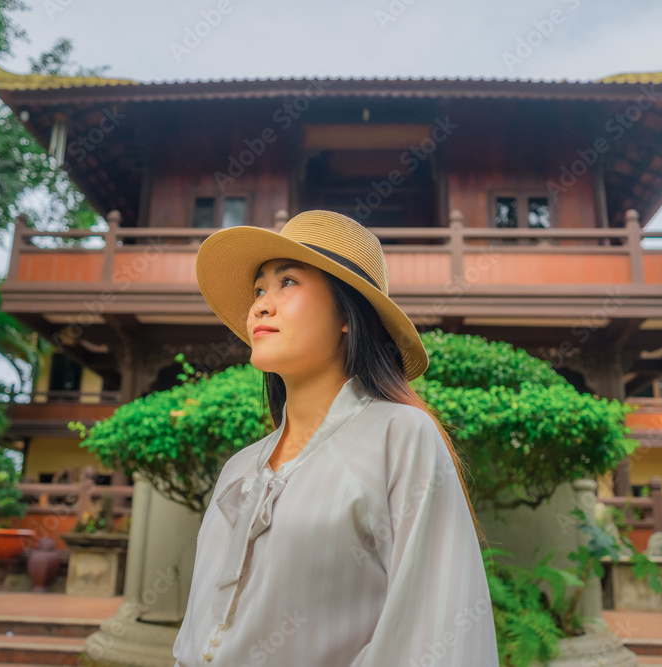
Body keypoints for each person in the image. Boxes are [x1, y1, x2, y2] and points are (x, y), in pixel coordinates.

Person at [173, 209, 499, 666]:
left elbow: (437, 631)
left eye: (288, 282)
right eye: (259, 289)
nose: (261, 305)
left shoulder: (400, 436)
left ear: (348, 313)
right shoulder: (239, 469)